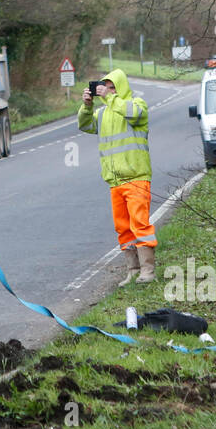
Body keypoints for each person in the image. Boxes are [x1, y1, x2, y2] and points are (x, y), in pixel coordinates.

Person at [78, 69, 156, 282]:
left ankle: (148, 270)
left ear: (120, 87)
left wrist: (110, 97)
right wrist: (87, 106)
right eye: (104, 87)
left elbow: (134, 114)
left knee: (140, 224)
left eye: (112, 87)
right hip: (115, 180)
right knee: (123, 228)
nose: (106, 90)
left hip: (136, 177)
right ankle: (133, 270)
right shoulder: (103, 112)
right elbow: (84, 125)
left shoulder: (136, 104)